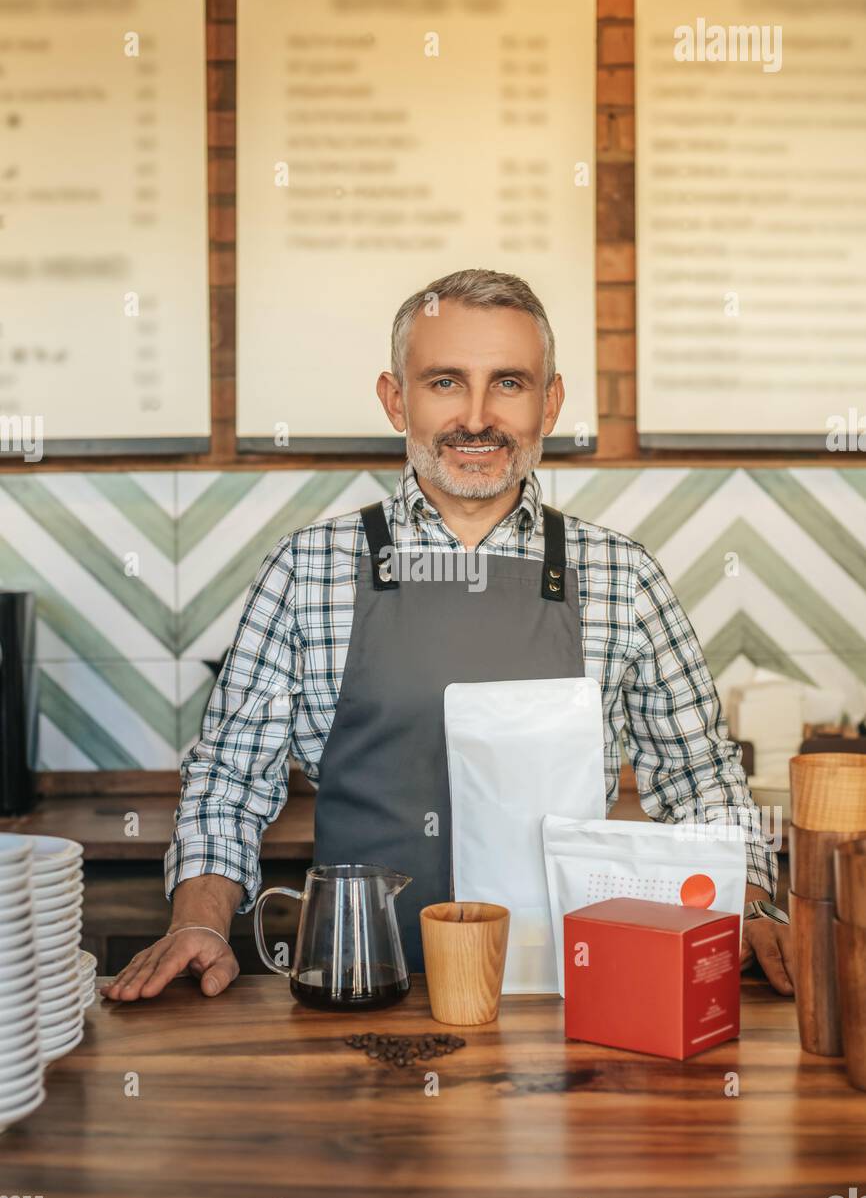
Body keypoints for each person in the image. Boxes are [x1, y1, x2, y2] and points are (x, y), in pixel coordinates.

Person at [101, 268, 792, 1003]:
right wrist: (198, 924)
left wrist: (748, 905)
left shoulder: (621, 575)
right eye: (444, 382)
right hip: (358, 984)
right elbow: (230, 782)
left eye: (509, 383)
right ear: (396, 399)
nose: (476, 416)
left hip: (564, 993)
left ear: (549, 403)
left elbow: (699, 779)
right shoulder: (307, 570)